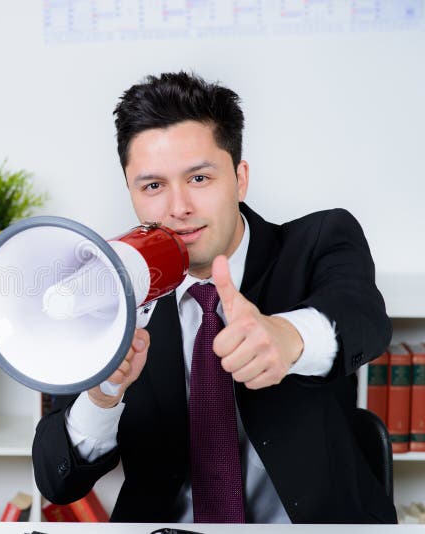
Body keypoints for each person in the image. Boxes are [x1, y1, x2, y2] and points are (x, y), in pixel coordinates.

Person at [31, 71, 396, 524]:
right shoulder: (109, 288)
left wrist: (288, 338)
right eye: (152, 186)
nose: (178, 207)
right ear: (131, 192)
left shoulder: (318, 240)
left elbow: (364, 318)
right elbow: (57, 480)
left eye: (199, 178)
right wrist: (103, 395)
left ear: (240, 179)